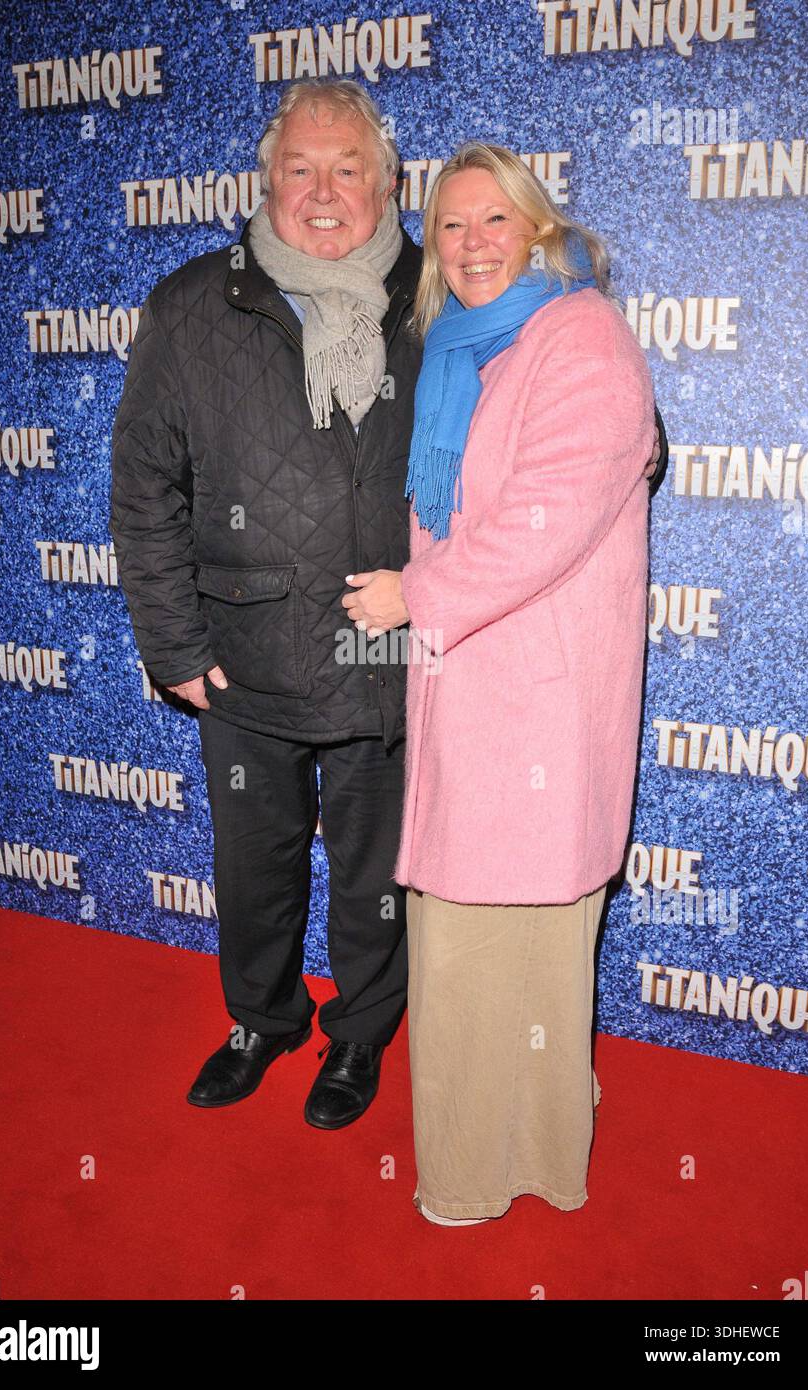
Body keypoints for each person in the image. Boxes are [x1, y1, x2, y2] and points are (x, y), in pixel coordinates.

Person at [341, 141, 661, 1222]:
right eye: (452, 225)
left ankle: (496, 1167)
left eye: (494, 220)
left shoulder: (581, 336)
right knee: (471, 946)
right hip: (476, 693)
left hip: (537, 710)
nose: (471, 244)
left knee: (502, 946)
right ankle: (506, 1138)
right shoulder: (463, 352)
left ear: (538, 227)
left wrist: (414, 598)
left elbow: (545, 518)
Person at [110, 79, 423, 1129]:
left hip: (390, 651)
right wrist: (170, 639)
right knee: (254, 863)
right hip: (244, 656)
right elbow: (145, 485)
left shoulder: (440, 301)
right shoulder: (195, 303)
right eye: (300, 170)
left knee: (376, 870)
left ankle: (362, 1034)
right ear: (266, 182)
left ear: (386, 186)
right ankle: (262, 1017)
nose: (323, 193)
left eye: (348, 171)